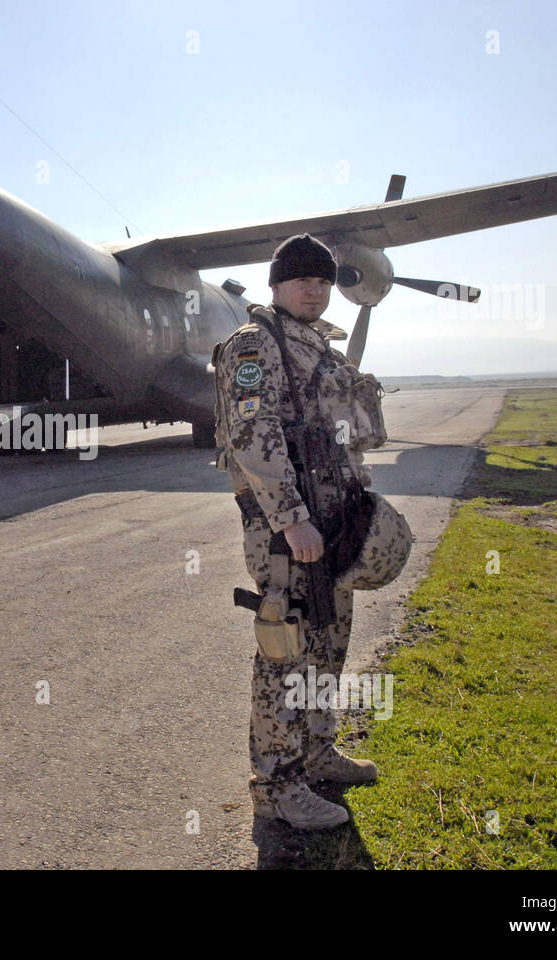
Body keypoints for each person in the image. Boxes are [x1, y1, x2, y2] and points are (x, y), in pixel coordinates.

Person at [213, 234, 409, 830]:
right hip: (289, 532)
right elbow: (253, 435)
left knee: (330, 643)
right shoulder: (256, 344)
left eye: (323, 281)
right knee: (286, 652)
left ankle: (318, 752)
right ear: (275, 284)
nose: (314, 289)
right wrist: (291, 518)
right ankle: (276, 784)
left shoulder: (321, 349)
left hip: (336, 524)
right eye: (302, 279)